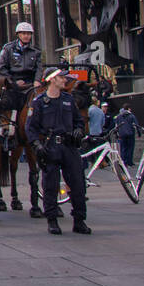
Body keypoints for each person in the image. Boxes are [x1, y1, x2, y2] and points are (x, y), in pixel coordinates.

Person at [25, 67, 91, 236]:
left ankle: (79, 220)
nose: (64, 80)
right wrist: (37, 146)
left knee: (77, 183)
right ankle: (52, 221)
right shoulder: (39, 102)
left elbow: (78, 121)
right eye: (61, 77)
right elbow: (31, 128)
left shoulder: (68, 99)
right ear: (52, 80)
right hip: (51, 147)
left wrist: (78, 130)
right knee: (50, 186)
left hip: (69, 147)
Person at [0, 22, 43, 114]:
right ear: (18, 34)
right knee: (3, 102)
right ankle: (6, 126)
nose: (26, 36)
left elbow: (39, 68)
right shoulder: (8, 48)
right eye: (24, 33)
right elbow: (1, 68)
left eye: (28, 34)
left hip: (30, 84)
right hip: (12, 82)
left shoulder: (36, 51)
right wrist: (13, 82)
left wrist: (37, 80)